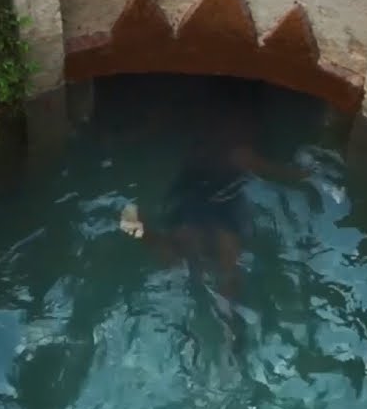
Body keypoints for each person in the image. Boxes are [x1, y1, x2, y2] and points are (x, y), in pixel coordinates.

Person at [118, 91, 311, 310]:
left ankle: (229, 313)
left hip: (197, 197)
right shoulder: (237, 155)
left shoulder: (178, 252)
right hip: (216, 197)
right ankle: (230, 316)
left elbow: (140, 229)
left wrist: (136, 224)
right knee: (216, 250)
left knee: (193, 248)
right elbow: (279, 173)